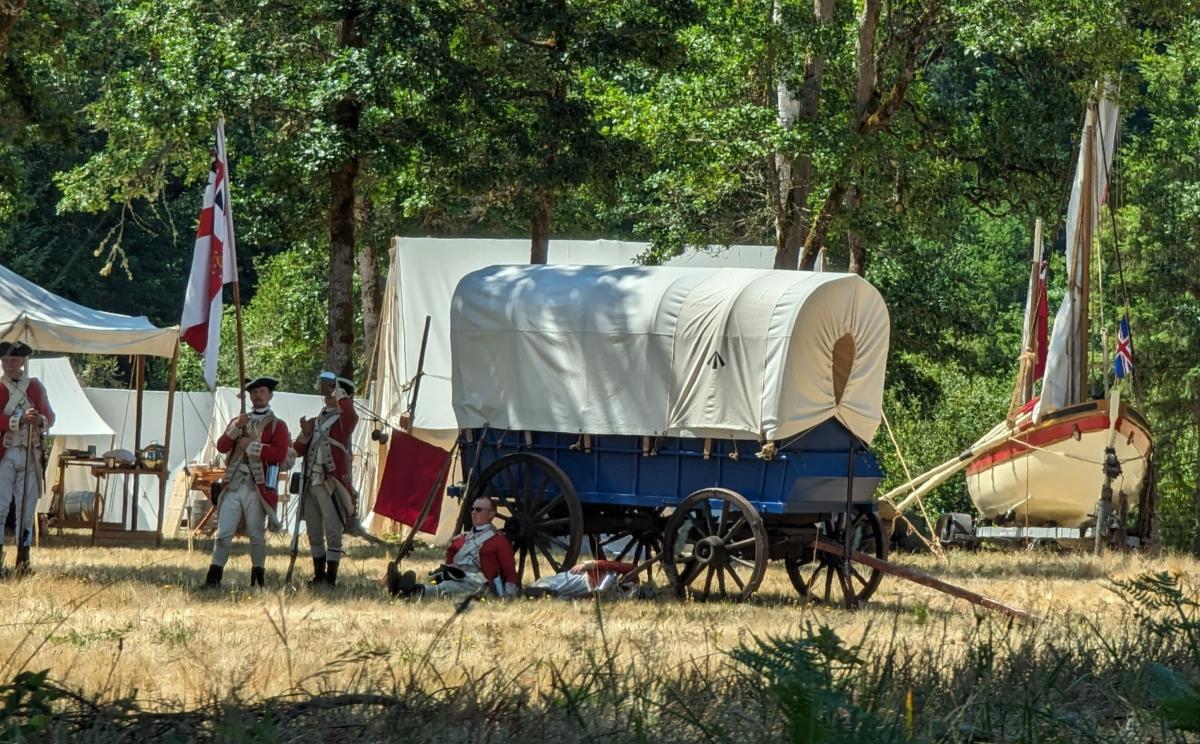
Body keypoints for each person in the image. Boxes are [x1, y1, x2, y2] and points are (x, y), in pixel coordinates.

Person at [204, 376, 291, 589]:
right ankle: (213, 579)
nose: (257, 396)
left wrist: (252, 446)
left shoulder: (277, 425)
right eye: (254, 393)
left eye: (262, 392)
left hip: (256, 486)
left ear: (270, 395)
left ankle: (258, 581)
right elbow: (223, 446)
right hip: (233, 483)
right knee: (224, 534)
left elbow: (279, 454)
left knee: (256, 535)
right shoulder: (239, 420)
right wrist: (236, 428)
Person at [292, 370, 359, 587]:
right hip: (311, 482)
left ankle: (331, 578)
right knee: (313, 530)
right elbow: (298, 450)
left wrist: (341, 394)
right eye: (329, 391)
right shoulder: (318, 420)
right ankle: (319, 575)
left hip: (330, 483)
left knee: (333, 530)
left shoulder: (343, 420)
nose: (328, 394)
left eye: (334, 391)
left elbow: (352, 416)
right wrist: (304, 433)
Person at [393, 496, 518, 598]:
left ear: (491, 514)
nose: (474, 513)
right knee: (436, 579)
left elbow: (509, 572)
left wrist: (507, 595)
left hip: (479, 584)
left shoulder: (499, 541)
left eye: (479, 510)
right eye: (472, 509)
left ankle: (411, 592)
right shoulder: (461, 539)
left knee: (447, 586)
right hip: (457, 577)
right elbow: (450, 563)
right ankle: (404, 588)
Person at [0, 341, 53, 575]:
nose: (9, 365)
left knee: (26, 508)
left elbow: (49, 418)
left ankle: (23, 559)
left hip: (30, 453)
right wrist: (18, 420)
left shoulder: (35, 388)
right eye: (5, 361)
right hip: (5, 453)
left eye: (14, 361)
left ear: (23, 362)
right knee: (0, 507)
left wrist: (38, 419)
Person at [523, 559, 645, 600]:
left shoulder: (624, 598)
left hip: (588, 591)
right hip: (586, 578)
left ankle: (544, 593)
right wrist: (591, 563)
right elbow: (614, 565)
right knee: (552, 583)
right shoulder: (632, 575)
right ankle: (537, 589)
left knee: (563, 595)